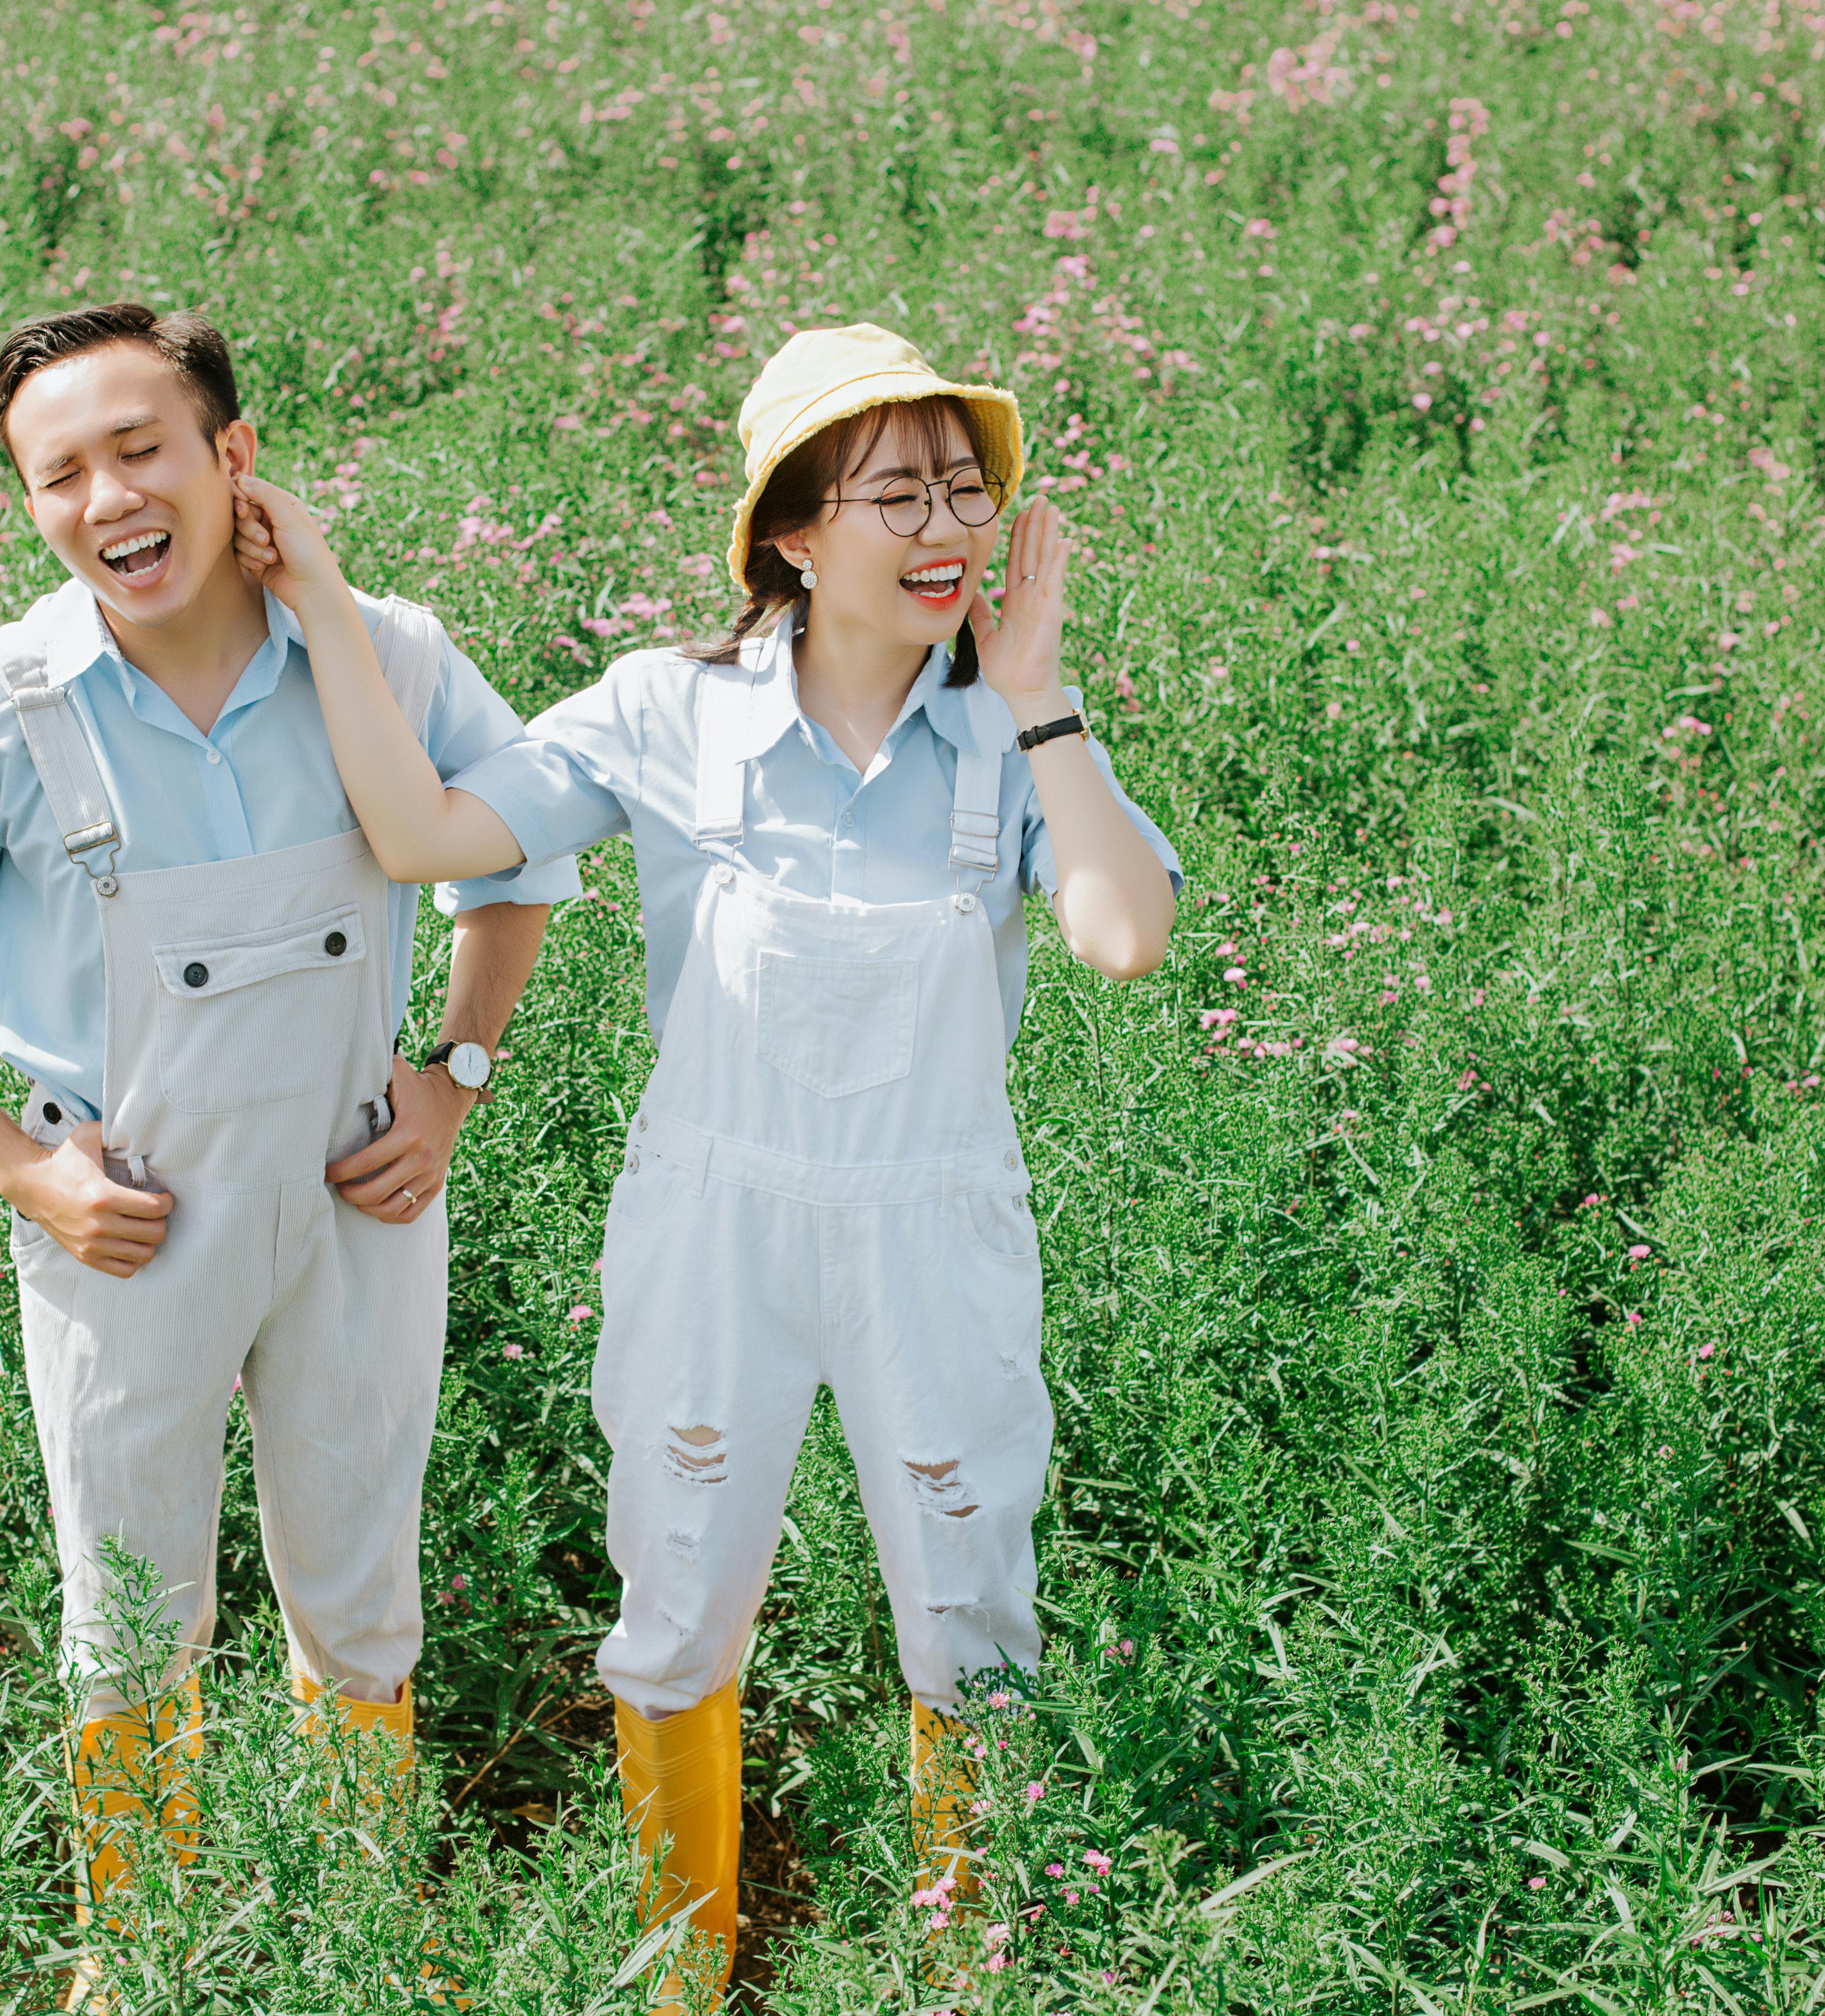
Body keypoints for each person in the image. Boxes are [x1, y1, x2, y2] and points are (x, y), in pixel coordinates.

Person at [231, 322, 1179, 2001]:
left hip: (931, 1222)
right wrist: (317, 607)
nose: (943, 522)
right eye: (893, 491)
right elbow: (428, 836)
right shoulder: (667, 717)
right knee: (674, 1600)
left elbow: (1119, 934)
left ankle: (975, 1965)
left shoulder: (1004, 742)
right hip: (712, 1220)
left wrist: (1042, 703)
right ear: (793, 538)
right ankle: (685, 1962)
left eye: (964, 485)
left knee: (971, 1607)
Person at [0, 301, 578, 1998]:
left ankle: (359, 1919)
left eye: (137, 448)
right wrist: (22, 1169)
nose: (105, 500)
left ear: (231, 456)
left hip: (356, 1187)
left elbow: (513, 854)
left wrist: (451, 1074)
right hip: (125, 1215)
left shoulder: (380, 649)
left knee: (359, 1576)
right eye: (56, 474)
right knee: (131, 1594)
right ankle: (137, 1948)